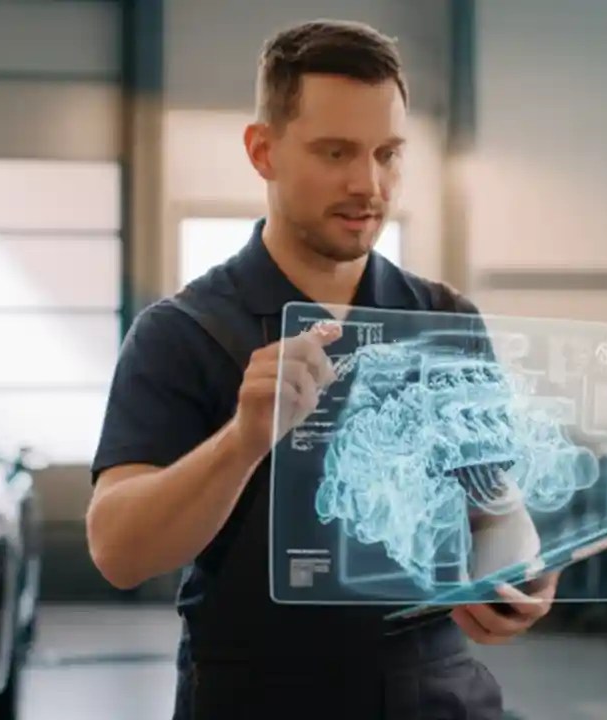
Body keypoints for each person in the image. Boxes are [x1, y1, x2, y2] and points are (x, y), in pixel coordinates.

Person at [86, 19, 555, 719]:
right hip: (260, 694)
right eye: (335, 152)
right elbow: (117, 551)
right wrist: (242, 440)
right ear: (263, 151)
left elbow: (496, 506)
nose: (368, 184)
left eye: (388, 154)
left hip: (433, 689)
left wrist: (522, 571)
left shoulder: (444, 319)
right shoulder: (182, 333)